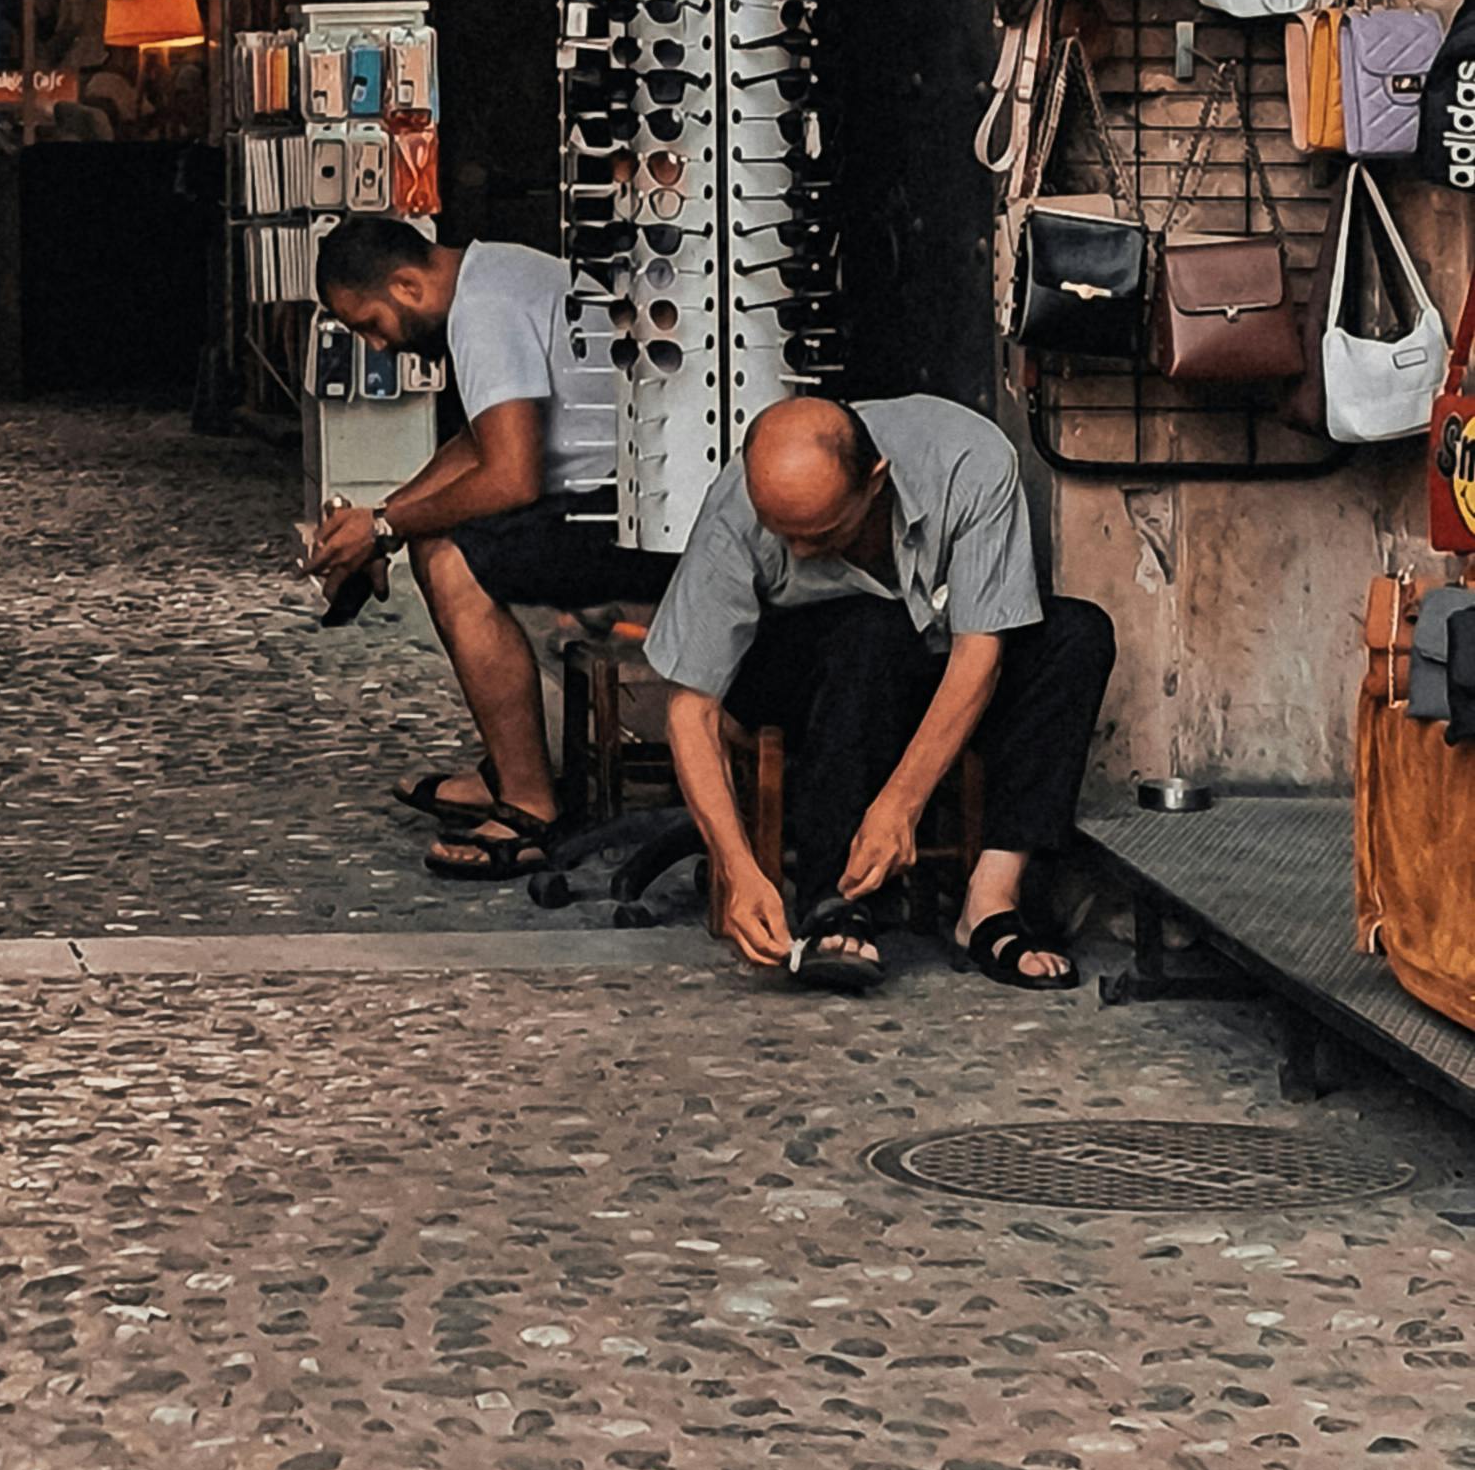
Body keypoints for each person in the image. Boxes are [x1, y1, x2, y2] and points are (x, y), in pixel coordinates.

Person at [644, 393, 1116, 992]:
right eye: (781, 534)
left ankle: (991, 900)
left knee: (1077, 634)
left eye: (818, 534)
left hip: (932, 660)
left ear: (876, 482)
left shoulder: (968, 460)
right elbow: (692, 710)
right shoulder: (737, 506)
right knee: (867, 630)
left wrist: (900, 806)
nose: (797, 552)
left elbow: (980, 655)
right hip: (799, 674)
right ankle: (833, 902)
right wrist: (739, 868)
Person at [306, 213, 672, 884]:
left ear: (407, 285)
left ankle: (532, 805)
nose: (377, 348)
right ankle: (509, 766)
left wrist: (387, 529)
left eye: (371, 325)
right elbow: (481, 440)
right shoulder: (492, 271)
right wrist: (384, 520)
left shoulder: (483, 310)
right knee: (432, 537)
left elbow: (511, 475)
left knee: (452, 559)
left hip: (638, 514)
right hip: (617, 497)